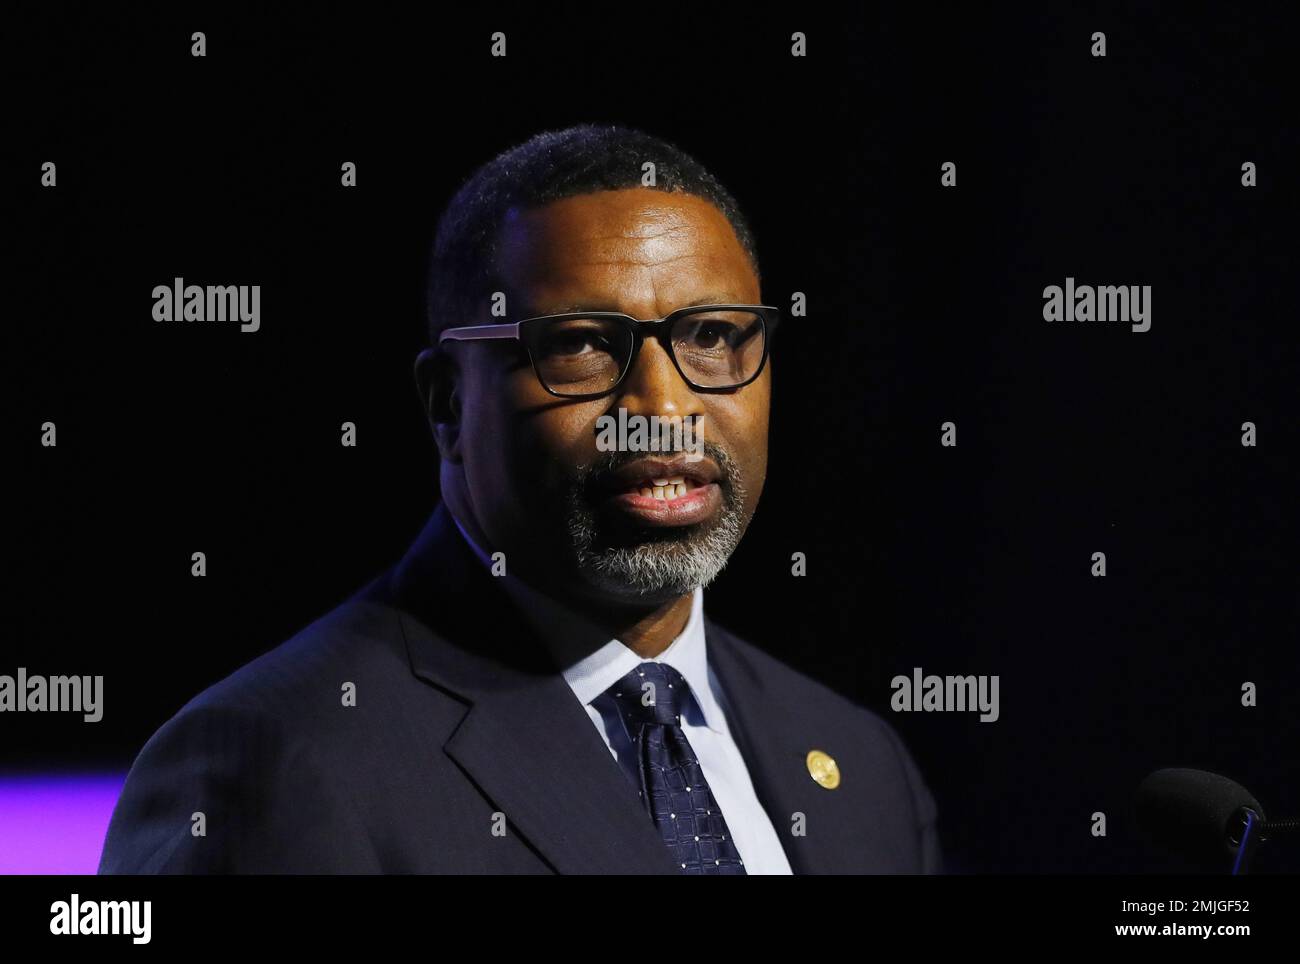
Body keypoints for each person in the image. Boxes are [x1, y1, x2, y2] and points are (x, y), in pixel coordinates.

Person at [98, 124, 942, 874]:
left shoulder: (861, 770)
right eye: (581, 346)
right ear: (449, 407)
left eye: (712, 337)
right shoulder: (273, 763)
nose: (663, 409)